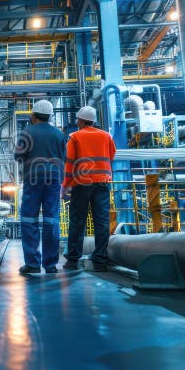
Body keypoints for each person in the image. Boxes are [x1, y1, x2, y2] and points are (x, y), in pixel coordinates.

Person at [14, 100, 66, 274]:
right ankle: (50, 265)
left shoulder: (27, 132)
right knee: (51, 219)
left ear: (33, 115)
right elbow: (63, 157)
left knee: (29, 219)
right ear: (50, 116)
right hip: (54, 178)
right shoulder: (59, 134)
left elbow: (18, 156)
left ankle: (32, 264)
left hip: (34, 178)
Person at [62, 106, 116, 272]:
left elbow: (69, 163)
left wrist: (65, 186)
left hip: (82, 184)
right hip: (102, 183)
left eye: (78, 119)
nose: (76, 122)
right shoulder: (106, 136)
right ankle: (100, 261)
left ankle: (72, 260)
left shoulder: (75, 137)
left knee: (77, 221)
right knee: (101, 222)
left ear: (82, 120)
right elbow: (111, 155)